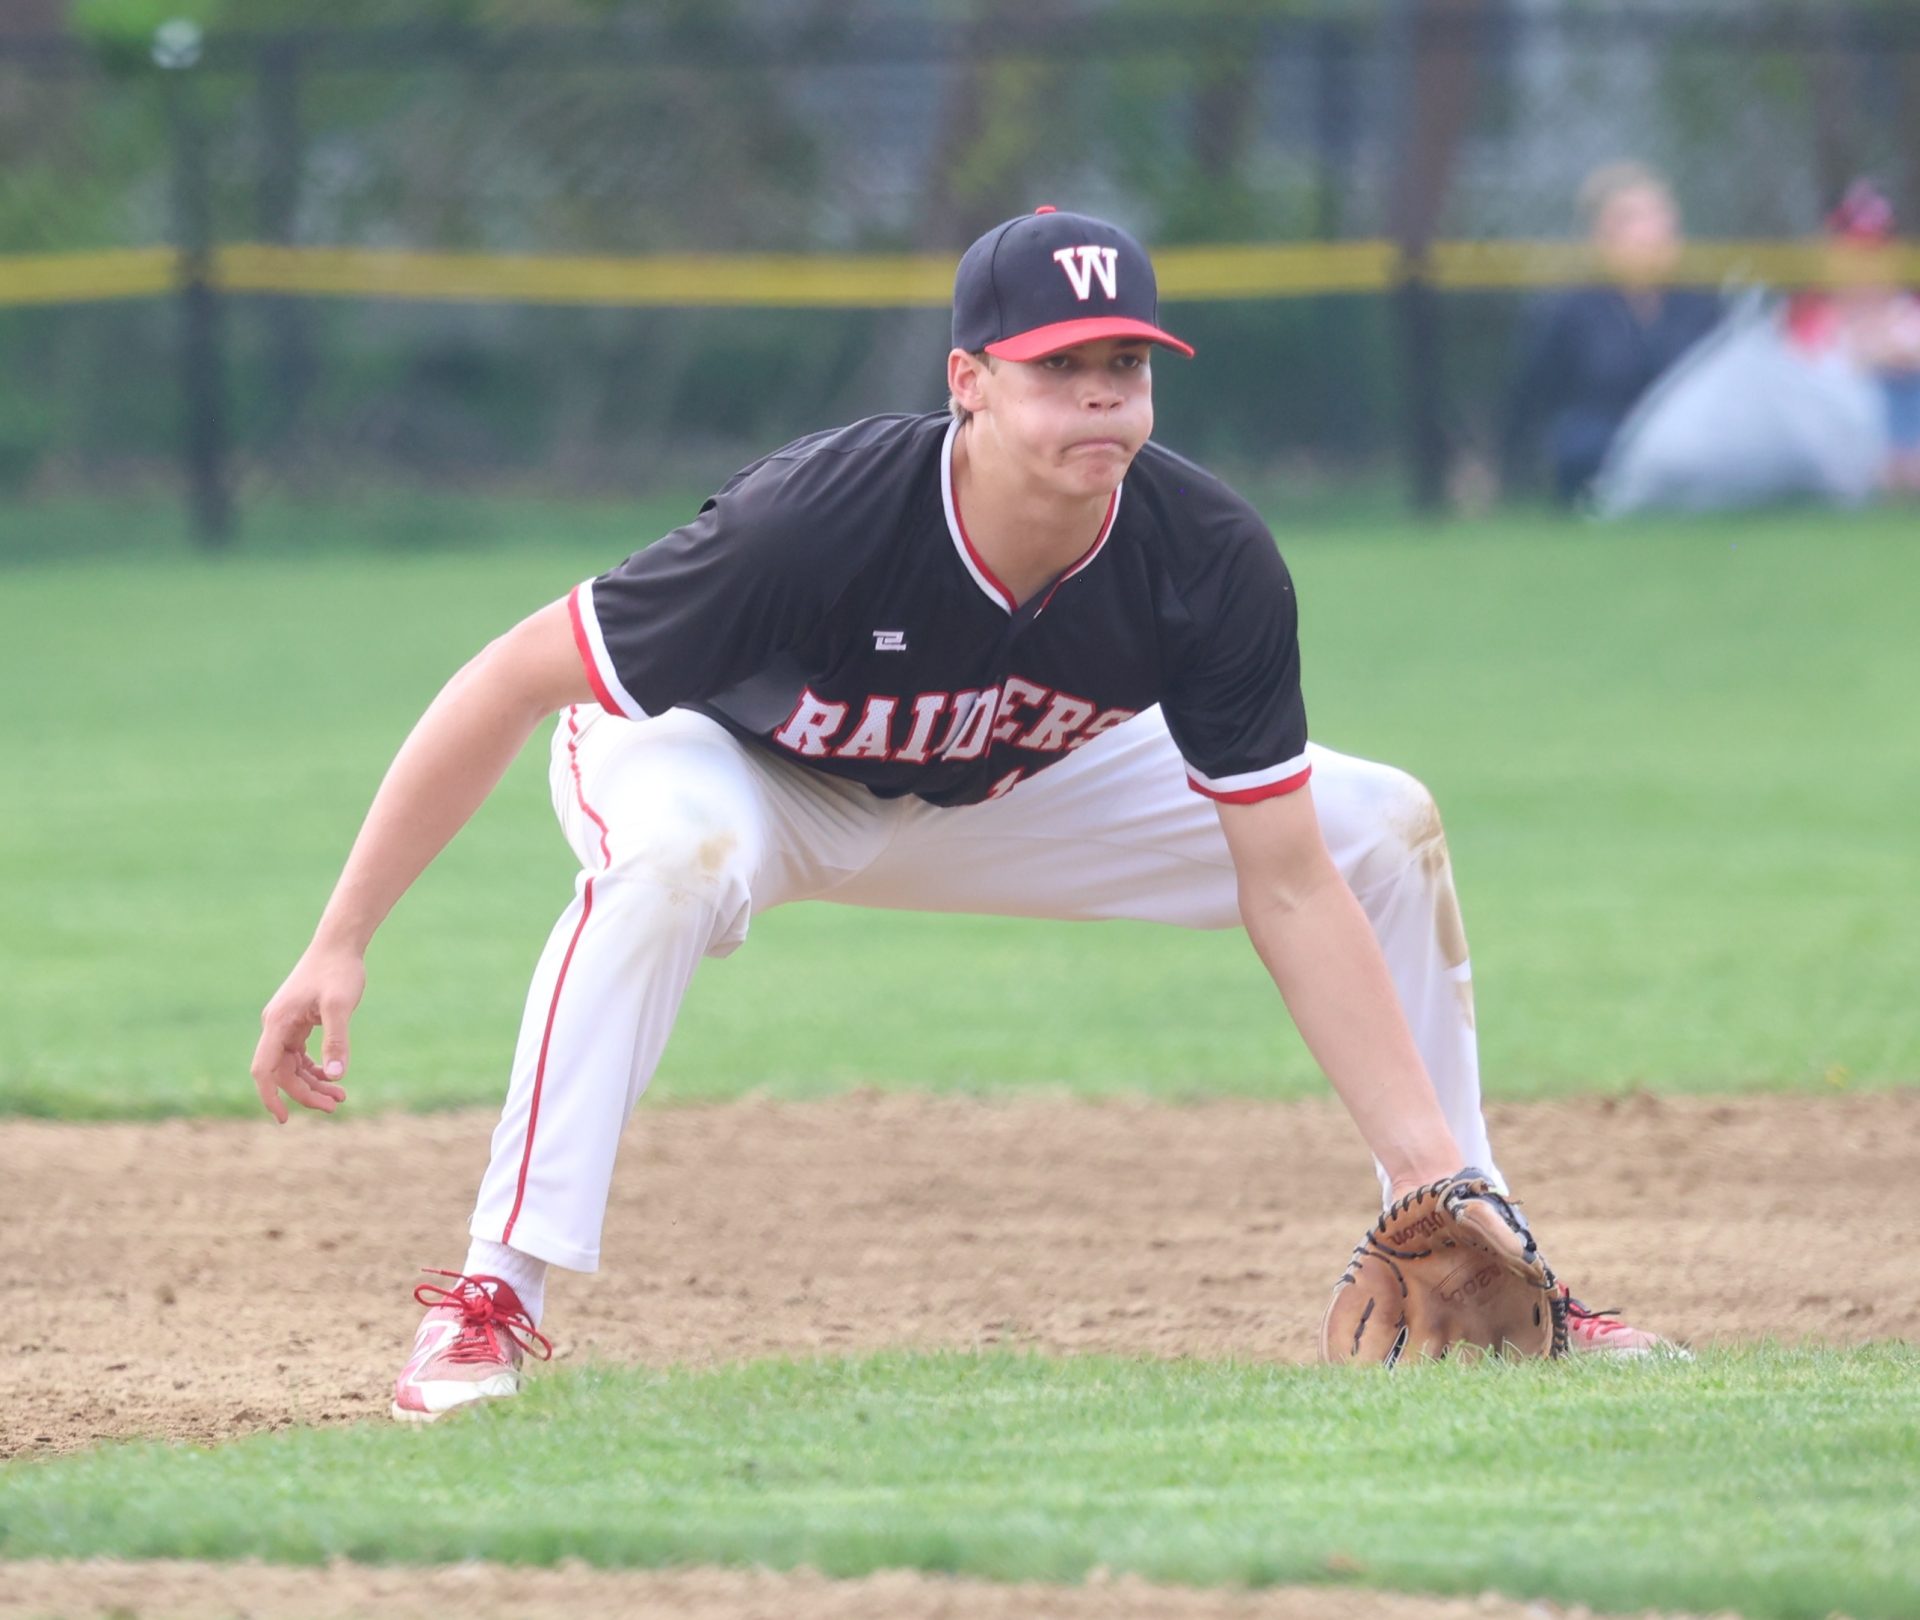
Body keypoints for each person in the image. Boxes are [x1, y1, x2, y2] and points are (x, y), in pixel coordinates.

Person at [251, 208, 1668, 1422]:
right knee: (671, 864)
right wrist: (341, 938)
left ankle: (1485, 1241)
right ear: (969, 382)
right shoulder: (812, 523)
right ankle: (494, 1292)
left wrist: (1431, 1179)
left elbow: (1291, 885)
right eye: (1061, 371)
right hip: (733, 764)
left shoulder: (1209, 556)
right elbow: (507, 677)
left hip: (1002, 780)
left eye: (1126, 368)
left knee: (1378, 823)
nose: (1102, 400)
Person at [1503, 163, 1722, 504]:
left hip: (1688, 448)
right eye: (1634, 219)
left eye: (1661, 215)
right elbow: (1534, 395)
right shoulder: (1571, 310)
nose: (1654, 230)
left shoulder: (1699, 306)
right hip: (1601, 449)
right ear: (1600, 234)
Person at [1785, 180, 1920, 497]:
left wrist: (1894, 354)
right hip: (1842, 454)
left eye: (1874, 254)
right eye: (1853, 255)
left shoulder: (1908, 310)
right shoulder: (1810, 316)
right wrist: (1863, 355)